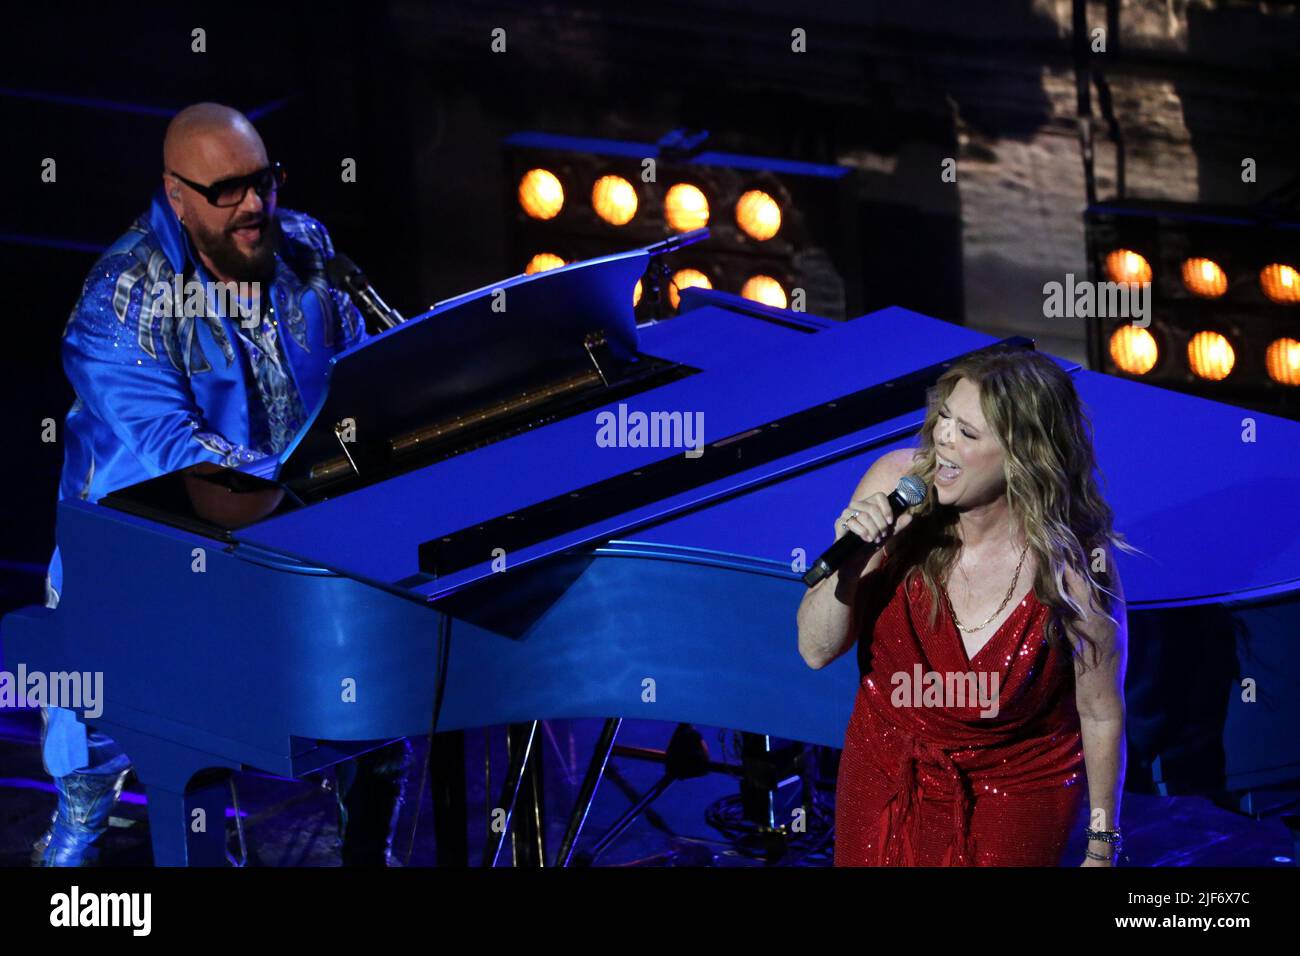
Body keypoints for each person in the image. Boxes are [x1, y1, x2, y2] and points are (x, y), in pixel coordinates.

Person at [34, 102, 409, 866]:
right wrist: (311, 491)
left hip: (289, 535)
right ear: (177, 196)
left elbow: (366, 366)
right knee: (94, 770)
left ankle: (369, 852)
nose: (253, 206)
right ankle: (67, 856)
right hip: (145, 555)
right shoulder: (121, 302)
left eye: (263, 182)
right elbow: (181, 453)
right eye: (227, 190)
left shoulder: (304, 245)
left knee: (380, 700)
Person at [797, 348, 1129, 866]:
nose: (942, 441)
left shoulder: (1076, 566)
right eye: (944, 421)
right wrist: (856, 559)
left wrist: (1101, 848)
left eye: (967, 434)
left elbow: (1100, 712)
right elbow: (815, 651)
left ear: (1024, 455)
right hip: (886, 774)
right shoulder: (895, 489)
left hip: (1015, 796)